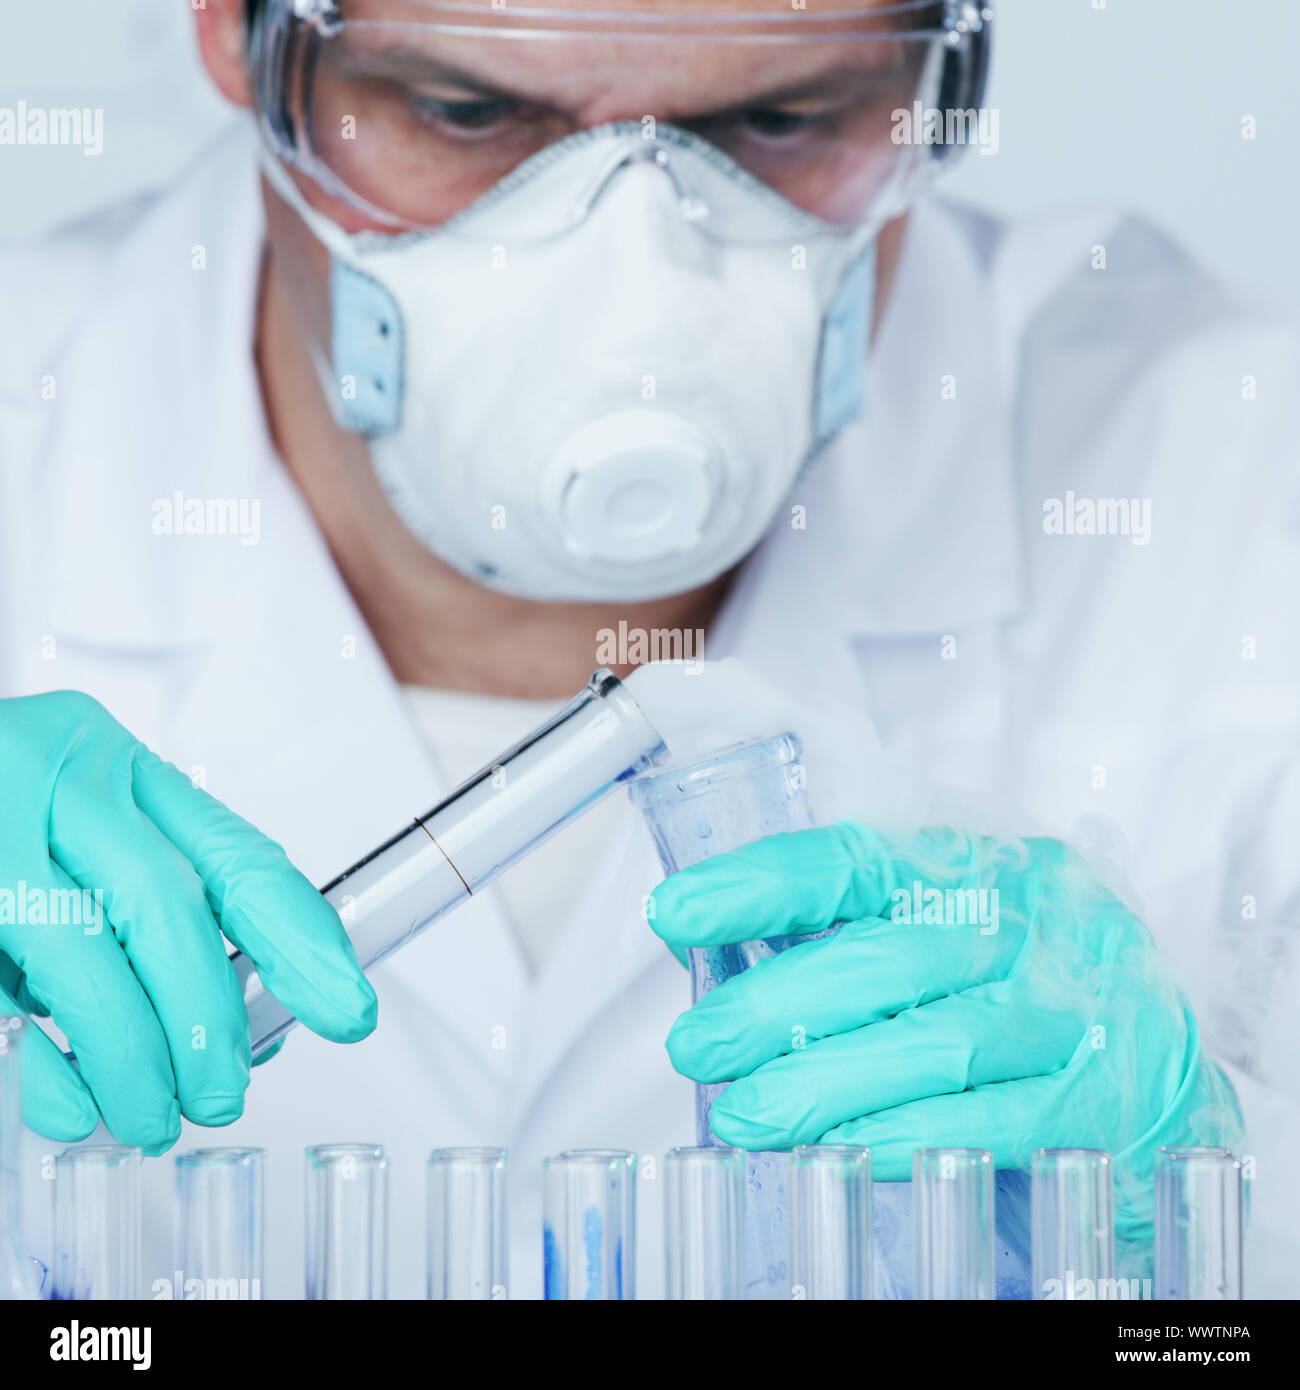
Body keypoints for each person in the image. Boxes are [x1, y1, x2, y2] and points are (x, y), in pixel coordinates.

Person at [0, 0, 1295, 1298]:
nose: (639, 279)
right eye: (466, 111)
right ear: (242, 35)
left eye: (782, 119)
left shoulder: (1228, 476)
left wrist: (1207, 1188)